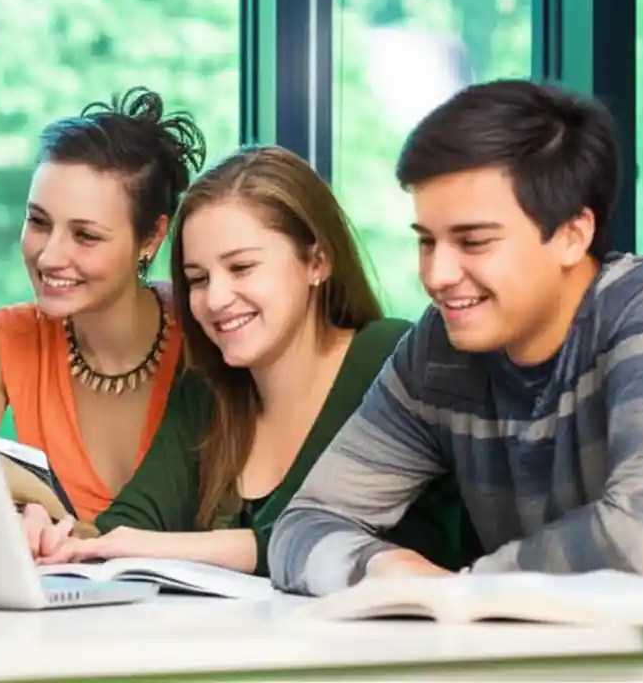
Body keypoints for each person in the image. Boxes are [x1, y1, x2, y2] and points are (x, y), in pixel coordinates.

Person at [269, 79, 643, 595]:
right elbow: (301, 526)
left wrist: (466, 589)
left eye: (474, 242)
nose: (437, 275)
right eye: (426, 242)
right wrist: (379, 567)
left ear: (573, 235)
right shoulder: (439, 350)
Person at [26, 145, 477, 576]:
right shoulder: (208, 389)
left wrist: (145, 545)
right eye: (198, 279)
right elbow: (124, 528)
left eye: (241, 268)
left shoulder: (390, 355)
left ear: (317, 261)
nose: (215, 299)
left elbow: (317, 538)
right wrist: (54, 535)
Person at [0, 87, 206, 524]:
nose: (49, 256)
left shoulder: (207, 334)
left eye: (85, 236)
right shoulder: (7, 342)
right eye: (38, 222)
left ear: (151, 238)